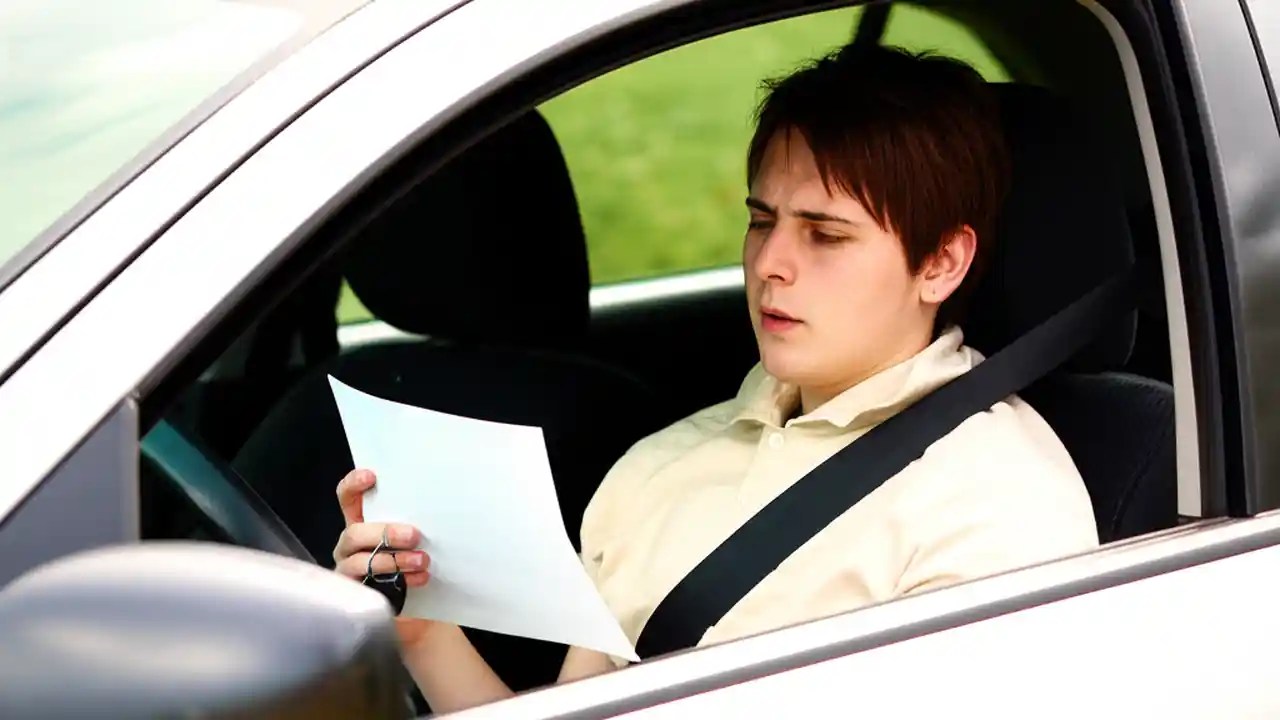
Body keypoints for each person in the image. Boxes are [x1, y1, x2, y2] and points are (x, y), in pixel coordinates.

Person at [330, 43, 1099, 712]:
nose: (770, 263)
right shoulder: (659, 466)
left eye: (824, 234)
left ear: (941, 263)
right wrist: (422, 632)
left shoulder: (1001, 509)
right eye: (762, 220)